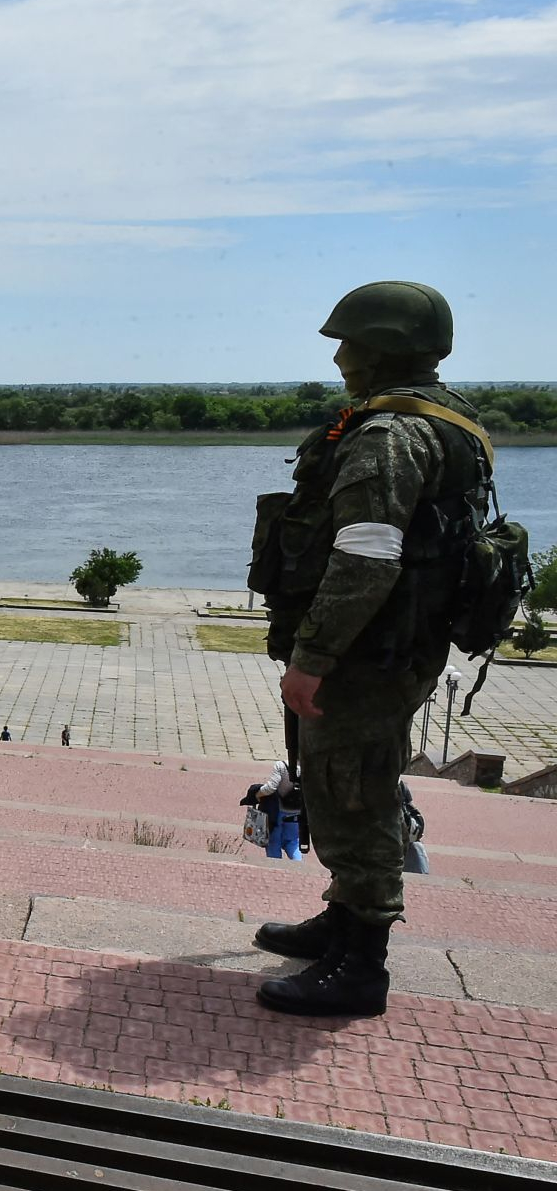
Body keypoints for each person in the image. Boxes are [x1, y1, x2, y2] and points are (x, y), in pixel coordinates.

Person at [248, 281, 487, 1017]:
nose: (341, 356)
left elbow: (366, 558)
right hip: (395, 645)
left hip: (365, 653)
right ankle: (344, 923)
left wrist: (313, 656)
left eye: (351, 342)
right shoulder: (449, 421)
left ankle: (362, 966)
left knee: (353, 791)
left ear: (386, 347)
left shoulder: (390, 436)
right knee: (348, 783)